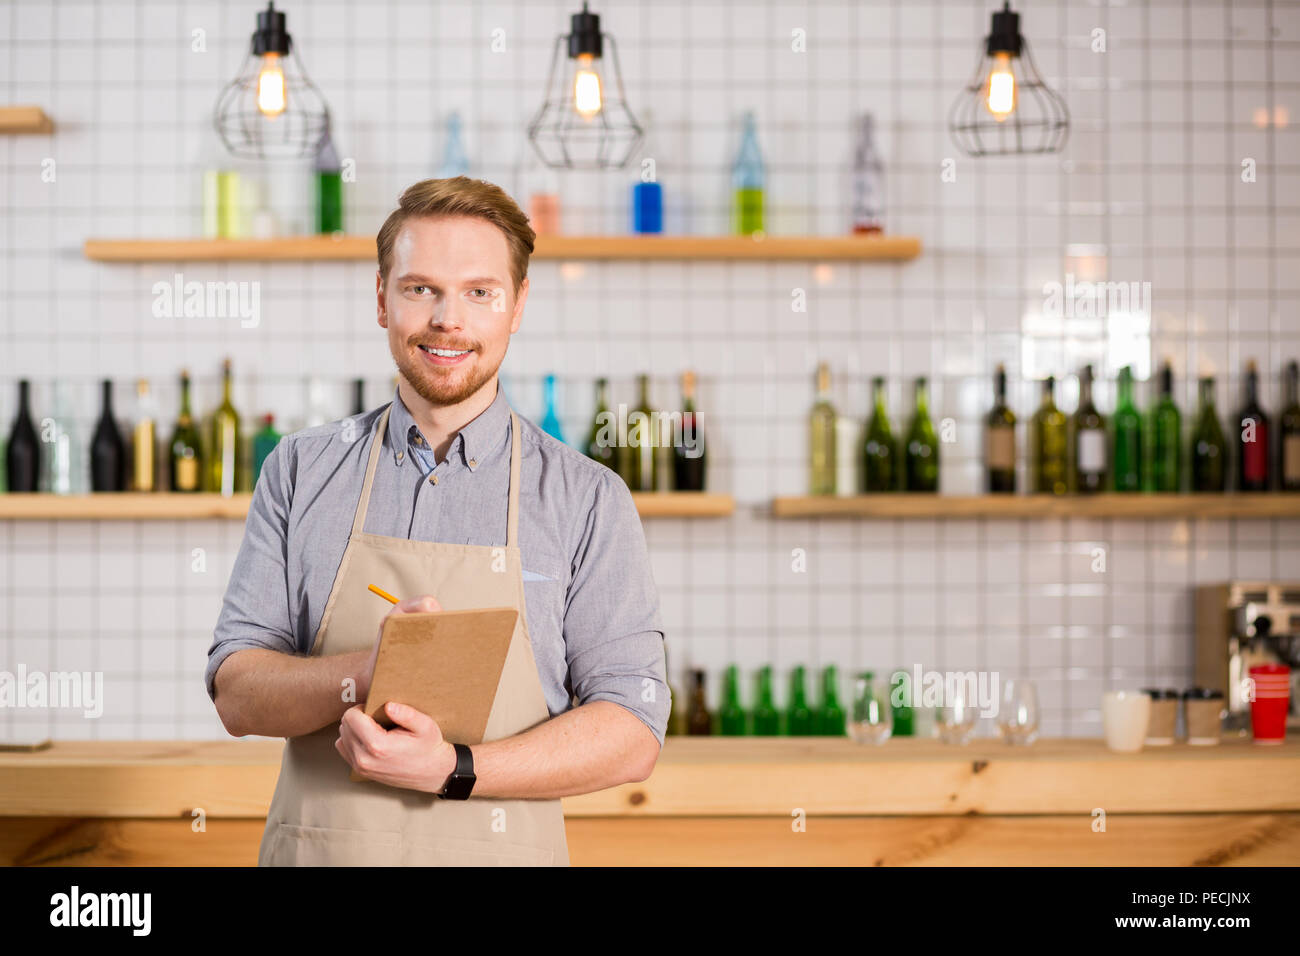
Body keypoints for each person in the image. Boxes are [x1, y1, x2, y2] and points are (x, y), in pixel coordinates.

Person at [206, 176, 669, 866]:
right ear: (382, 300)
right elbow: (238, 694)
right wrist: (369, 671)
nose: (448, 319)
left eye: (479, 292)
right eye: (420, 288)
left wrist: (455, 768)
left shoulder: (587, 499)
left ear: (516, 307)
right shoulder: (299, 472)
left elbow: (633, 729)